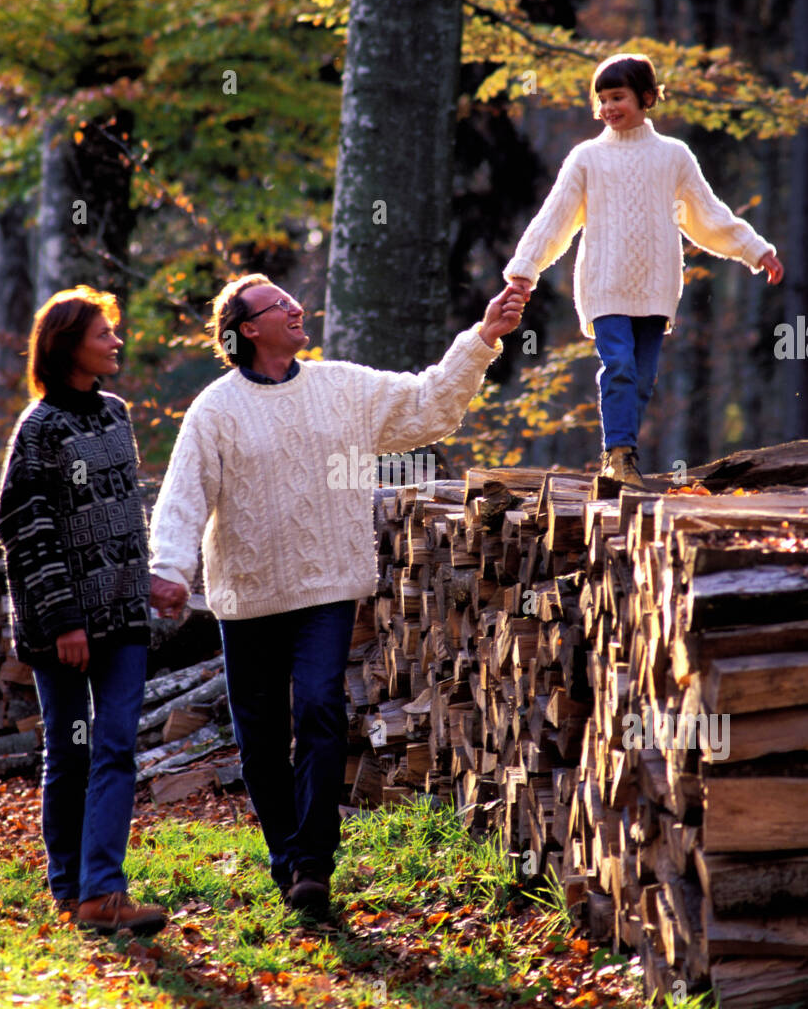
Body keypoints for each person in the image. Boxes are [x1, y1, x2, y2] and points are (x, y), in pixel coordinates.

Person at [149, 275, 526, 918]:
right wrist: (170, 567)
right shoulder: (215, 408)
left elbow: (428, 404)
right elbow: (185, 496)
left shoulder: (341, 386)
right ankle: (287, 858)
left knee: (322, 707)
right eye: (278, 306)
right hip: (248, 595)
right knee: (261, 738)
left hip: (325, 584)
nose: (297, 308)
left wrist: (484, 337)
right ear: (248, 330)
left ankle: (314, 864)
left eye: (292, 300)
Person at [503, 52, 784, 488]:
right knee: (618, 365)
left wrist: (755, 250)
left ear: (648, 97)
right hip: (604, 286)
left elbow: (708, 215)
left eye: (618, 96)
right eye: (601, 99)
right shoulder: (587, 158)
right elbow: (555, 217)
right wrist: (525, 267)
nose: (608, 107)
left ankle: (623, 452)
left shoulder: (673, 156)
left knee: (643, 378)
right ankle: (618, 456)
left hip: (655, 288)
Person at [0, 286, 166, 936]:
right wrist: (66, 618)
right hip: (60, 624)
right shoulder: (40, 429)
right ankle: (69, 887)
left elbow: (125, 511)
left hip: (123, 618)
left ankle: (100, 890)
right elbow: (25, 527)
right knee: (71, 750)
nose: (116, 343)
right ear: (69, 345)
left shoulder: (116, 413)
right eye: (104, 334)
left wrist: (148, 579)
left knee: (116, 744)